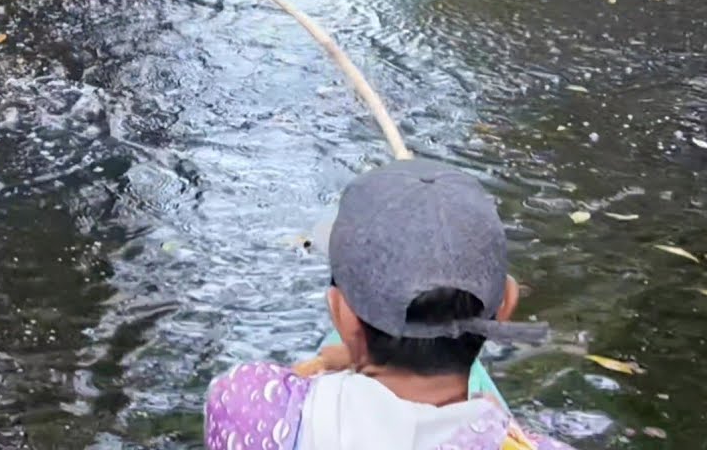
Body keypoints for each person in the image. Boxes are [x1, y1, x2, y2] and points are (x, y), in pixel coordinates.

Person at [203, 159, 577, 450]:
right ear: (505, 307)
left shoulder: (244, 403)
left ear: (342, 313)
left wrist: (337, 360)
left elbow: (279, 393)